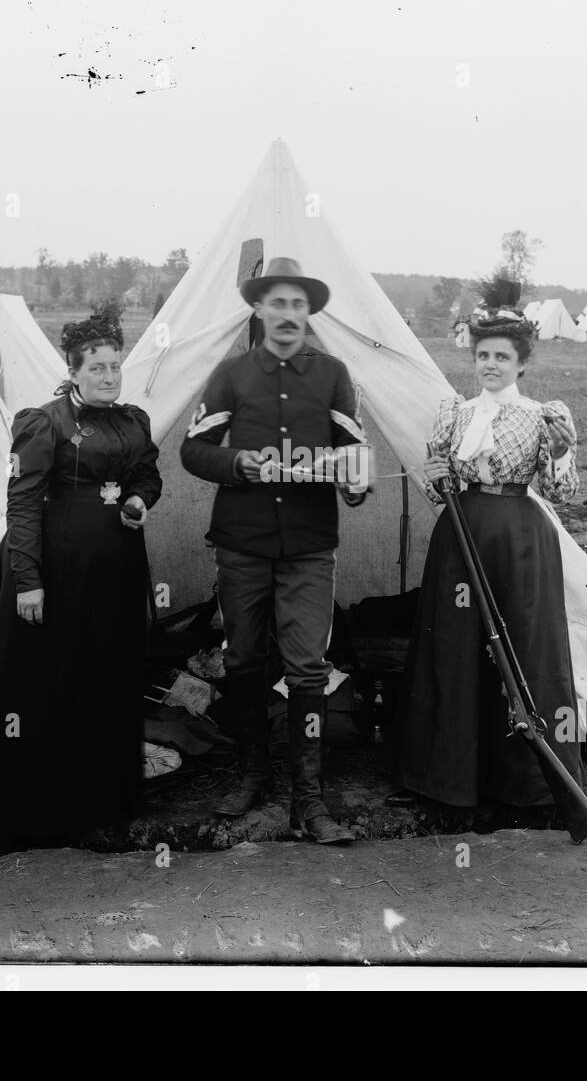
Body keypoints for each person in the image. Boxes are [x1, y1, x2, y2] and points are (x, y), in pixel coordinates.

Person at [181, 257, 368, 846]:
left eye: (298, 305)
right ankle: (251, 775)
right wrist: (238, 462)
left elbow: (355, 456)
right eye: (277, 304)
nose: (288, 316)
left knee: (308, 668)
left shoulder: (334, 374)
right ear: (258, 310)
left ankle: (308, 800)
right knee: (242, 661)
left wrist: (353, 480)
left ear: (310, 313)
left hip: (310, 547)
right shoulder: (232, 374)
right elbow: (193, 450)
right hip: (242, 543)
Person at [0, 305, 162, 837]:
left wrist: (139, 500)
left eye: (115, 366)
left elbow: (148, 476)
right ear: (72, 371)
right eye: (97, 368)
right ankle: (29, 811)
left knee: (104, 681)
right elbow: (22, 505)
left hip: (112, 573)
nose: (109, 376)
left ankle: (96, 806)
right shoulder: (43, 423)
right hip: (54, 571)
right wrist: (28, 581)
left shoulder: (133, 421)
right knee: (45, 684)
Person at [391, 309, 585, 810]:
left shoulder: (545, 416)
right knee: (455, 647)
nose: (491, 364)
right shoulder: (453, 412)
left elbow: (559, 493)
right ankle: (450, 779)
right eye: (483, 355)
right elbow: (442, 490)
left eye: (502, 356)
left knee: (522, 648)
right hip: (460, 534)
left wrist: (562, 453)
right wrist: (437, 474)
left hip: (520, 541)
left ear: (521, 364)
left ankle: (525, 783)